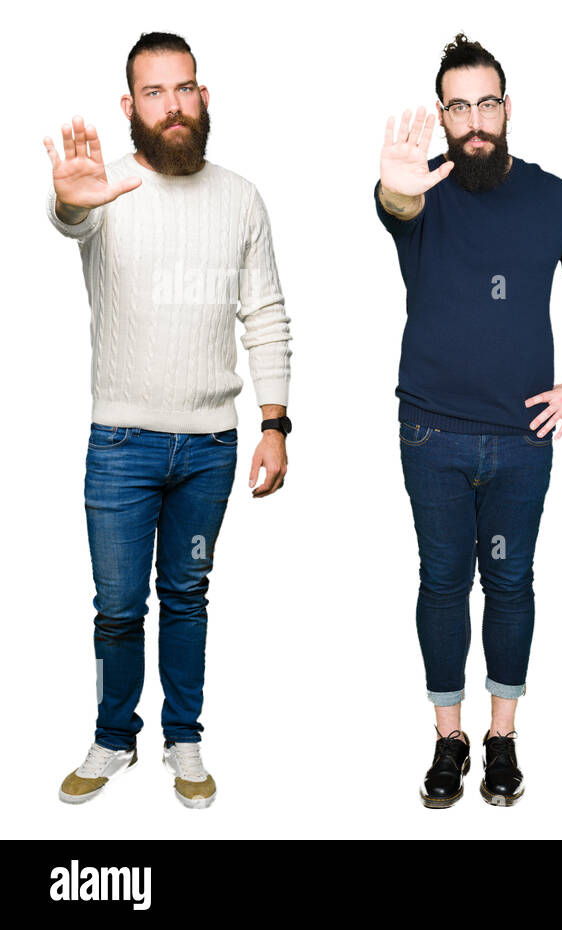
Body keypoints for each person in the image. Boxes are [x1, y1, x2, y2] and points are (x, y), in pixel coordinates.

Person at [375, 34, 562, 808]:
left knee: (510, 581)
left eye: (487, 103)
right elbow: (397, 203)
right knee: (443, 584)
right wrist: (393, 189)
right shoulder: (420, 189)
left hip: (523, 439)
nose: (474, 119)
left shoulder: (550, 196)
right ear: (442, 114)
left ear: (507, 110)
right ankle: (449, 739)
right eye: (459, 106)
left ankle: (501, 736)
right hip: (432, 433)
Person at [47, 32, 293, 809]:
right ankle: (113, 737)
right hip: (120, 446)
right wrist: (67, 199)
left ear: (204, 96)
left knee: (187, 594)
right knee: (118, 605)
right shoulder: (104, 186)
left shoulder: (241, 197)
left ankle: (183, 740)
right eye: (153, 93)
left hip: (210, 448)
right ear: (130, 107)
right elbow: (72, 220)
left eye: (183, 88)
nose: (172, 105)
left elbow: (266, 315)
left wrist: (276, 422)